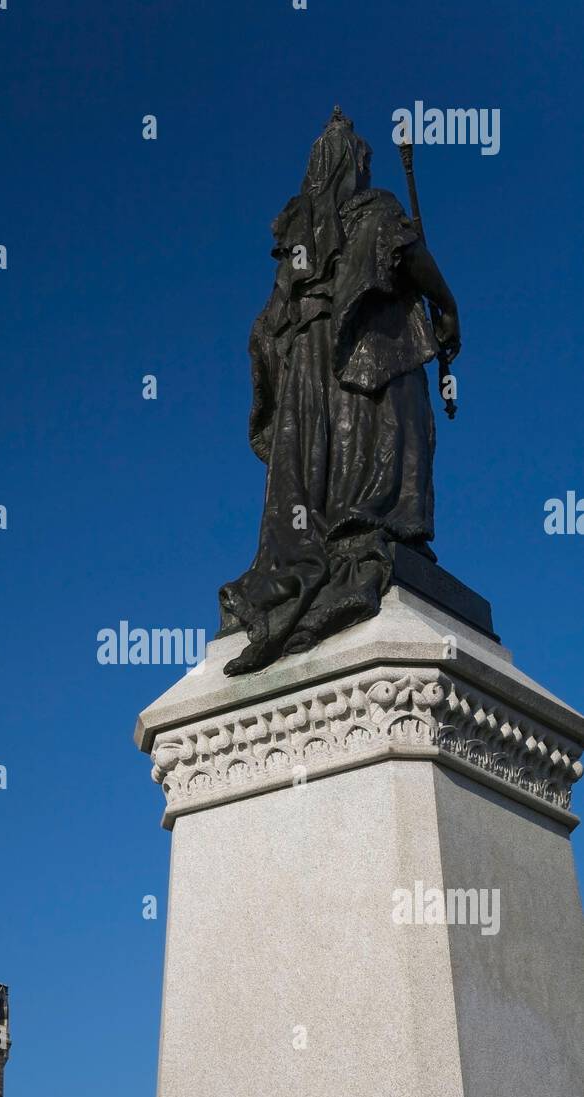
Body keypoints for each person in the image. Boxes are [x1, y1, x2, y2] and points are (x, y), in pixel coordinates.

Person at [220, 107, 461, 677]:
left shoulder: (298, 229)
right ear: (352, 163)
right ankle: (366, 525)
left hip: (308, 364)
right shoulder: (371, 208)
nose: (367, 168)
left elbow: (268, 323)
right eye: (364, 160)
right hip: (355, 350)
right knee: (384, 435)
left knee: (319, 462)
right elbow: (406, 254)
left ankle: (343, 532)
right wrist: (449, 308)